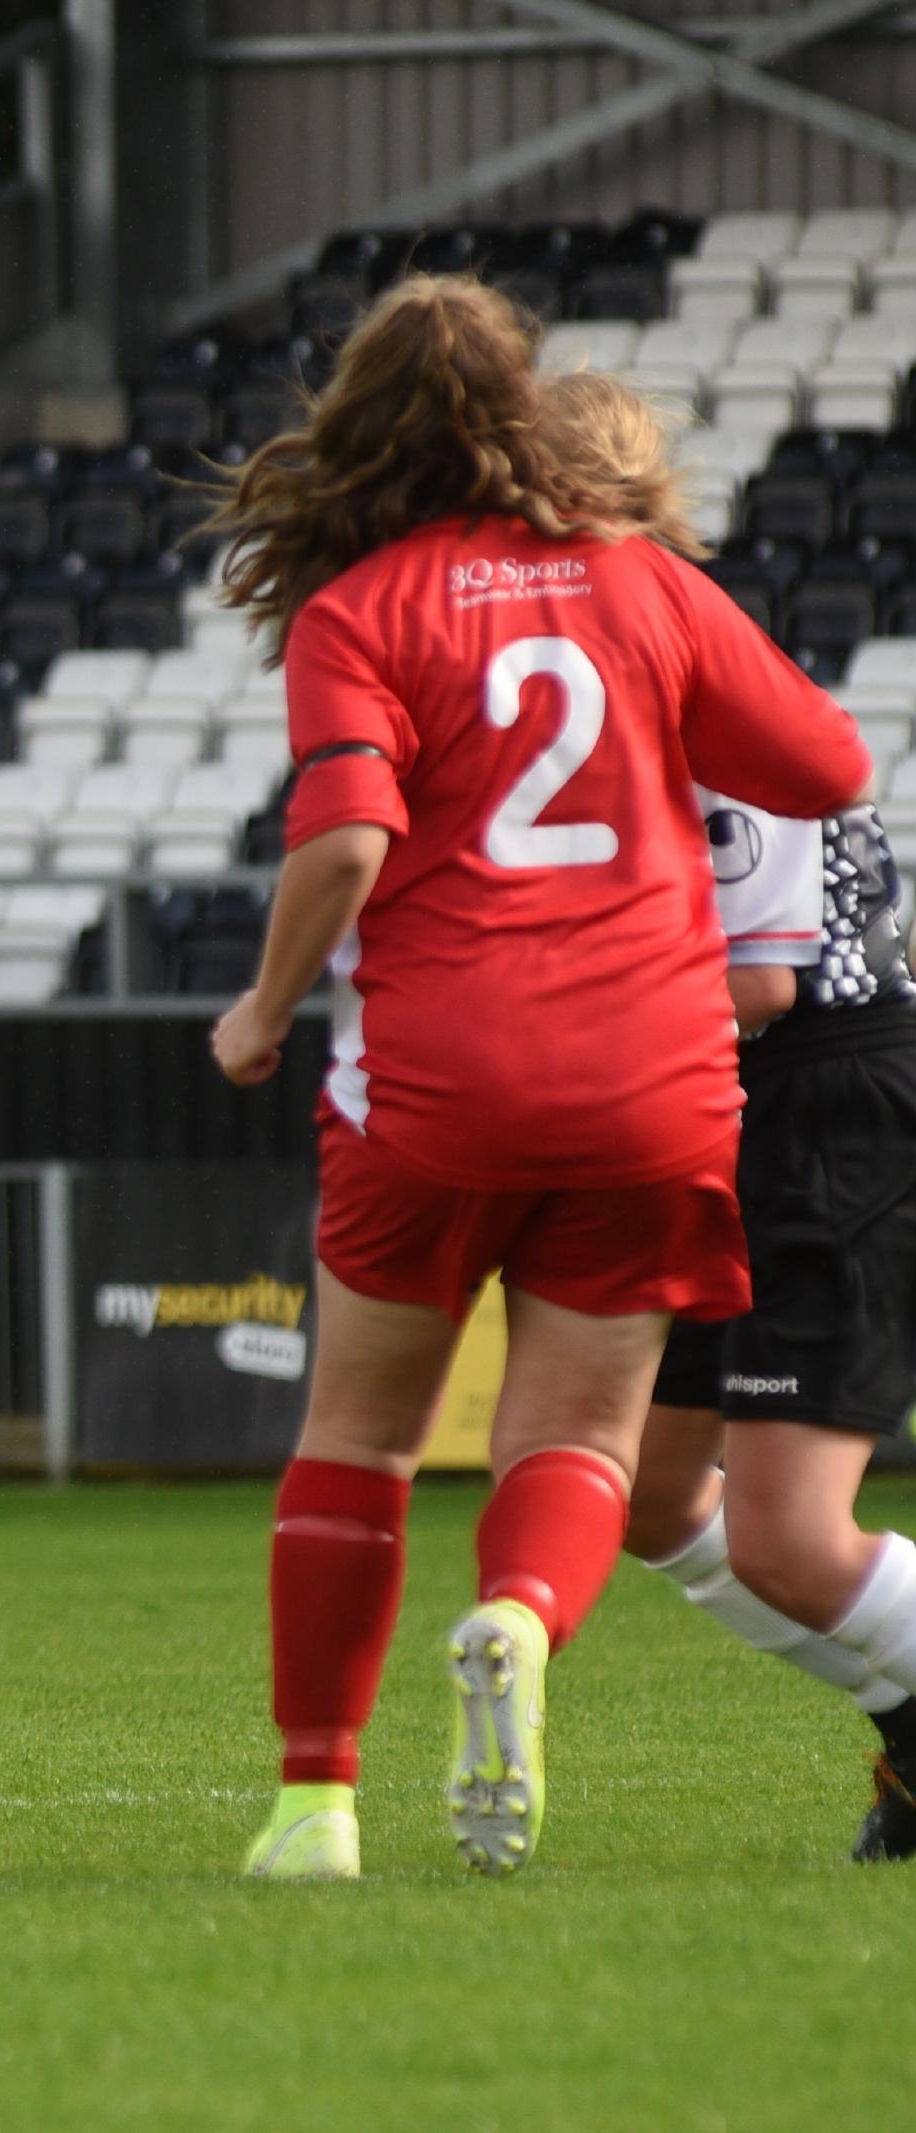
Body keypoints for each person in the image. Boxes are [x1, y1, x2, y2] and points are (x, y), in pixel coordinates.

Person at [205, 279, 869, 1882]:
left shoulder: (359, 608)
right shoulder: (637, 578)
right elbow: (832, 768)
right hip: (653, 1077)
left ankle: (315, 1806)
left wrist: (263, 1005)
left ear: (360, 423)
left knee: (359, 1437)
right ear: (518, 408)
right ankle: (515, 1616)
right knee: (576, 1432)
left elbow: (351, 835)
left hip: (440, 1080)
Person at [509, 376, 916, 1862]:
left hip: (818, 1100)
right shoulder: (589, 646)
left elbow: (755, 980)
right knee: (655, 1492)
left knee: (790, 1540)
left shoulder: (680, 639)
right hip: (720, 1111)